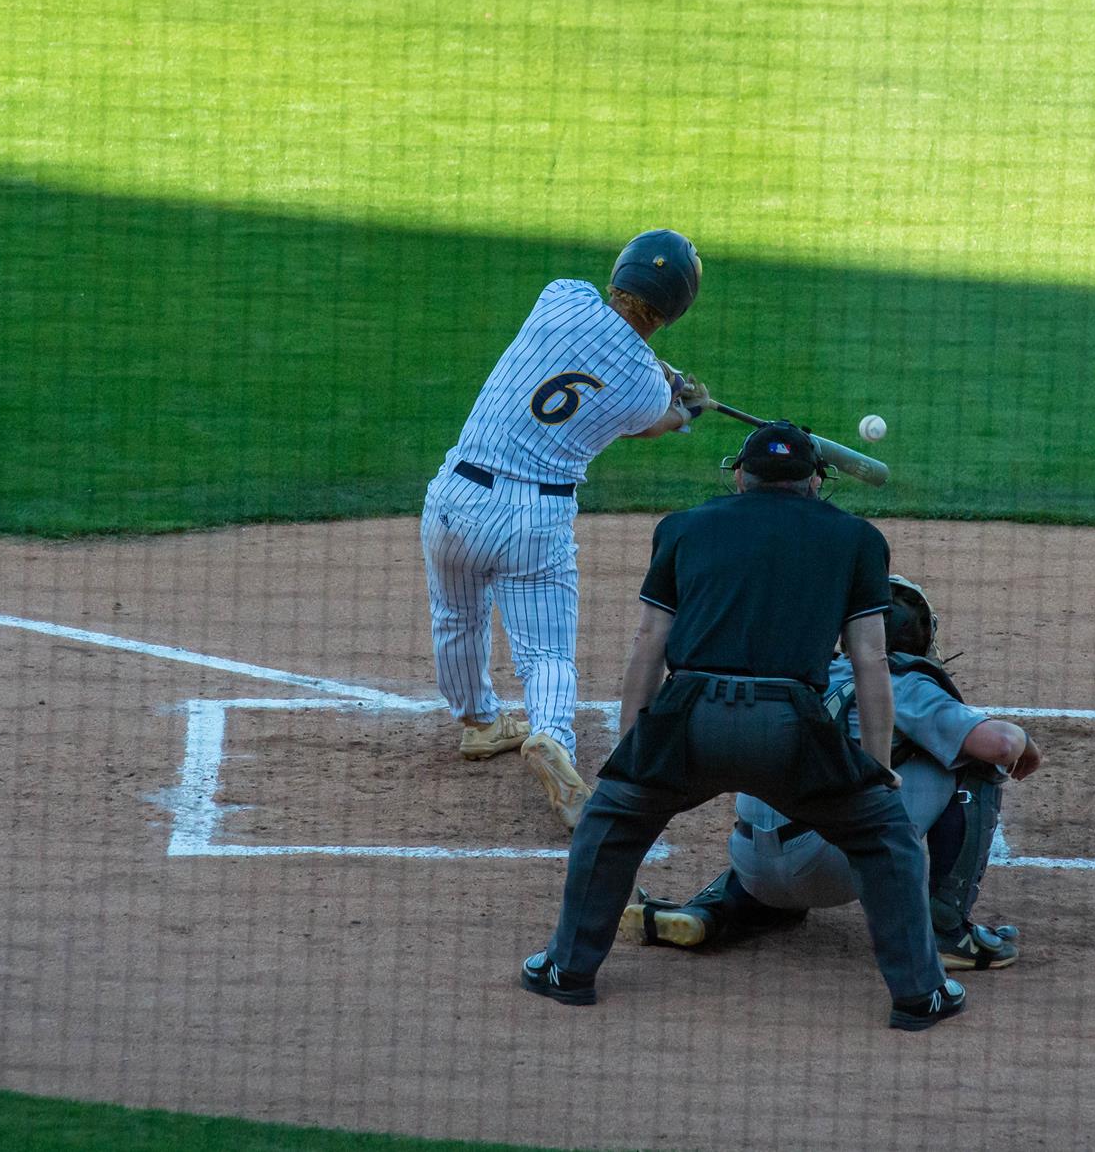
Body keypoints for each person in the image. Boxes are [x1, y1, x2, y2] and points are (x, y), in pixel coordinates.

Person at [519, 423, 967, 1031]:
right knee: (884, 839)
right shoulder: (857, 539)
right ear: (815, 479)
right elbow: (870, 661)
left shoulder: (683, 527)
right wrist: (876, 765)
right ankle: (920, 995)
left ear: (739, 474)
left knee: (611, 825)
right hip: (792, 729)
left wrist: (634, 748)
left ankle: (568, 972)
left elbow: (649, 643)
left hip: (689, 720)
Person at [423, 230, 708, 830]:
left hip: (452, 498)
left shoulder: (564, 298)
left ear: (620, 274)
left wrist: (667, 384)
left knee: (457, 615)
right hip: (530, 521)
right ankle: (551, 736)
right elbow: (653, 421)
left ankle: (477, 723)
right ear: (678, 306)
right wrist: (687, 406)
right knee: (546, 651)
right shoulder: (643, 389)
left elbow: (597, 348)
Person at [619, 574, 1045, 970]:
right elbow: (1001, 746)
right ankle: (947, 930)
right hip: (838, 866)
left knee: (784, 802)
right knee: (970, 759)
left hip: (752, 862)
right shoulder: (906, 682)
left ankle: (712, 908)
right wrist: (1025, 743)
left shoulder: (803, 671)